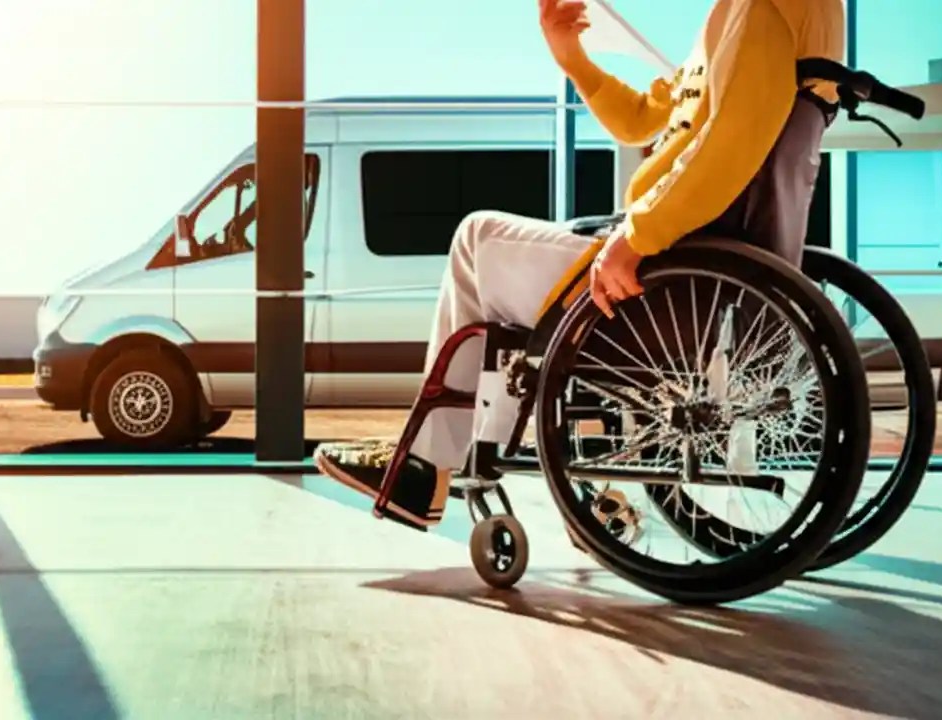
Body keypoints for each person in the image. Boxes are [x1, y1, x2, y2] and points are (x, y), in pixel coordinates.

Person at [313, 0, 847, 527]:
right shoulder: (750, 17)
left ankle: (428, 466)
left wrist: (637, 236)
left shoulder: (759, 11)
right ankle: (482, 463)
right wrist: (571, 58)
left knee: (476, 239)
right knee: (535, 252)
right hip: (698, 277)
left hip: (671, 281)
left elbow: (728, 147)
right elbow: (642, 119)